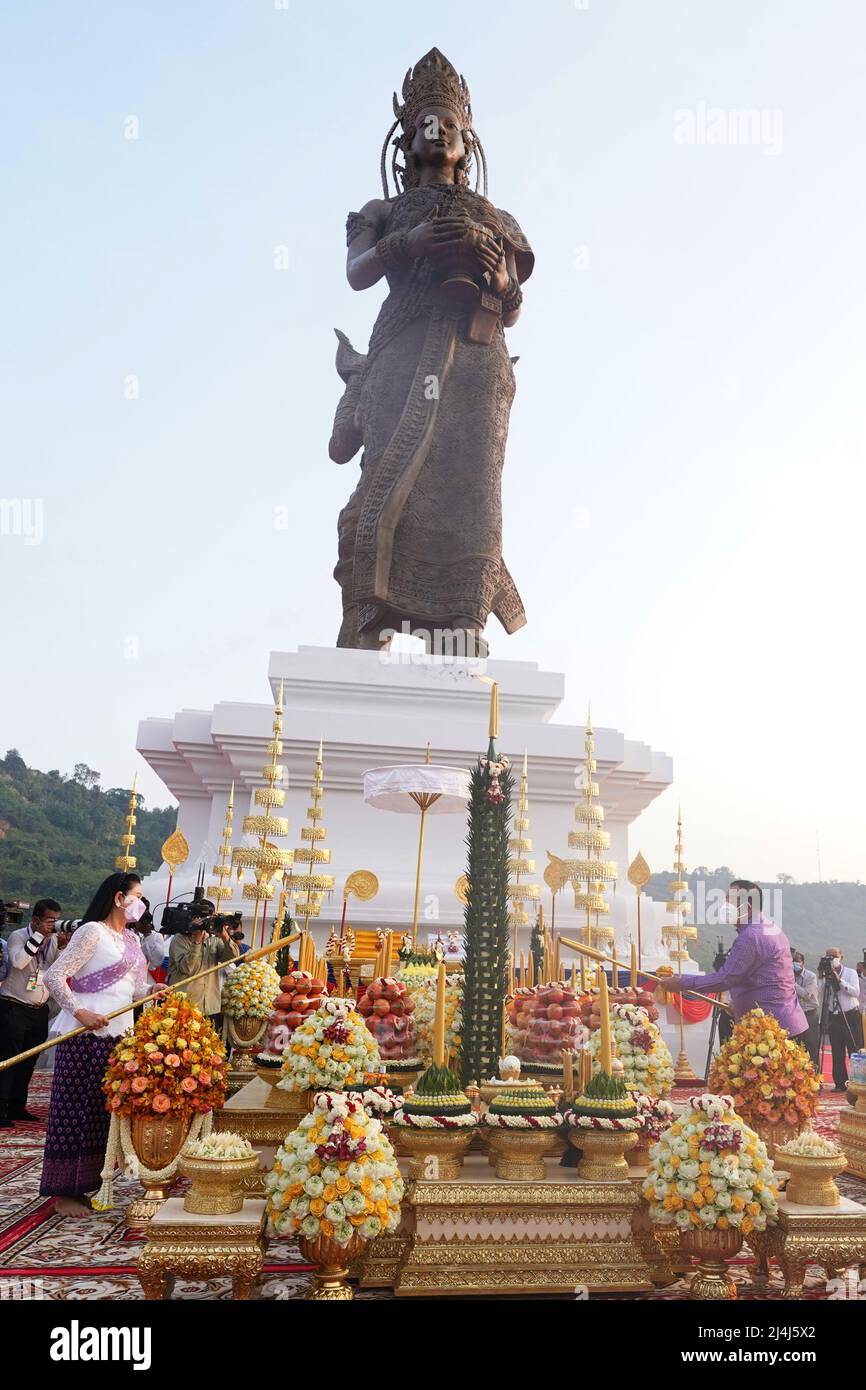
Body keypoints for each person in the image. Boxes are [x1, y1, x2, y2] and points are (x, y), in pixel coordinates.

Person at [39, 872, 152, 1216]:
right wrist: (80, 1011)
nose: (141, 903)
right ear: (119, 898)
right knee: (74, 1112)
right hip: (85, 1037)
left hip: (120, 1039)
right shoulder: (91, 932)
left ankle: (89, 1184)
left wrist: (153, 993)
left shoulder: (132, 941)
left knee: (104, 1117)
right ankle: (64, 1193)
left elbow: (135, 992)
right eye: (137, 895)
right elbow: (54, 976)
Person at [661, 880, 809, 1046]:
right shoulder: (768, 927)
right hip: (779, 1023)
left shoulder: (751, 936)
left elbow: (725, 979)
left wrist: (681, 982)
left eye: (730, 901)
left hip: (772, 1030)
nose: (724, 906)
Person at [0, 898, 65, 1127]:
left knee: (28, 1062)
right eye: (50, 921)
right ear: (36, 920)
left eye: (56, 921)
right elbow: (18, 962)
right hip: (14, 1005)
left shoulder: (54, 941)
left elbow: (59, 970)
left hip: (38, 1010)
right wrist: (37, 935)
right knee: (9, 1061)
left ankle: (18, 1106)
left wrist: (64, 947)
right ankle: (1, 1110)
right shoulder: (19, 935)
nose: (53, 926)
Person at [167, 911, 238, 1026]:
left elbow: (232, 957)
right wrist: (197, 940)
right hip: (186, 1007)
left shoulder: (214, 940)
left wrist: (224, 934)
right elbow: (187, 968)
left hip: (211, 1007)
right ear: (194, 919)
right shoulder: (179, 939)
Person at [819, 948, 862, 1091]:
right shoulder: (825, 975)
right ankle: (840, 1083)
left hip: (850, 1015)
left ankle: (857, 1083)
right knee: (837, 1051)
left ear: (841, 957)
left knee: (854, 1050)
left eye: (834, 956)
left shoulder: (850, 973)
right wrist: (821, 976)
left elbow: (855, 992)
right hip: (834, 1016)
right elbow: (820, 993)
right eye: (828, 956)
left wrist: (839, 980)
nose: (831, 958)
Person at [792, 951, 820, 1072]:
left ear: (803, 962)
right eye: (792, 962)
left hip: (809, 1014)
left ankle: (815, 1080)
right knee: (794, 1047)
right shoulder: (787, 975)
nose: (794, 964)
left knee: (812, 1047)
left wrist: (792, 984)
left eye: (797, 962)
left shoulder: (811, 976)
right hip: (794, 1015)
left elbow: (807, 995)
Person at [132, 900, 167, 986]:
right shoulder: (128, 932)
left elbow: (156, 962)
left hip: (144, 979)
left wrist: (148, 936)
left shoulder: (155, 937)